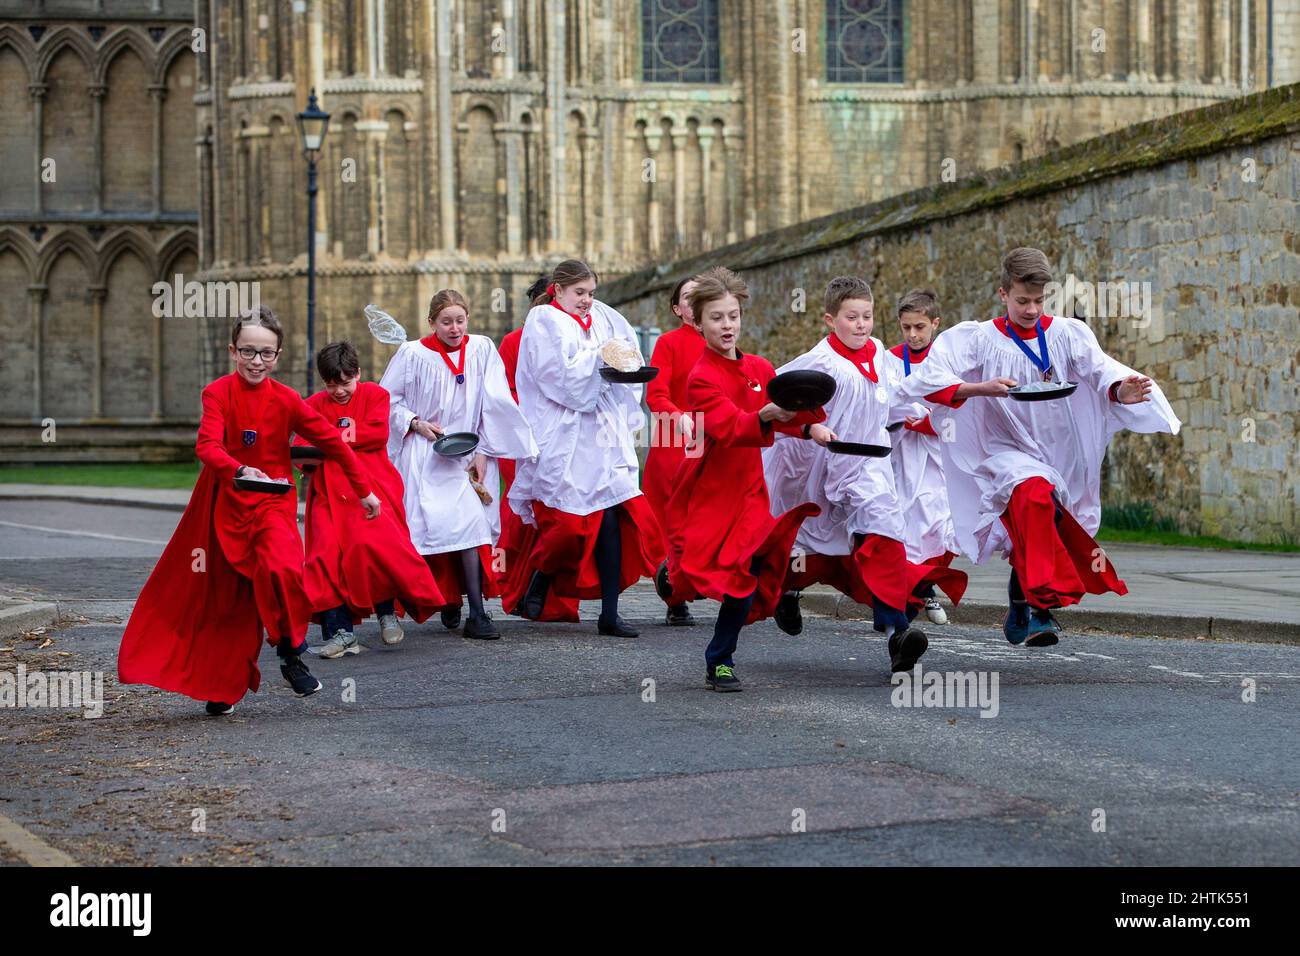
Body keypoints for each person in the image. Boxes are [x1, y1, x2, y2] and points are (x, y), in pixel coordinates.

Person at [896, 247, 1181, 646]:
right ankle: (1039, 607)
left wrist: (1120, 390)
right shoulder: (978, 340)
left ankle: (1019, 605)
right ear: (1002, 294)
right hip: (1004, 446)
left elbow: (1100, 369)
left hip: (1061, 449)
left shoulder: (1067, 333)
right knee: (1033, 495)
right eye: (1022, 301)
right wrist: (982, 388)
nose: (1031, 309)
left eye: (1038, 300)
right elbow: (928, 378)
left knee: (1040, 524)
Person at [118, 307, 381, 716]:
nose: (256, 361)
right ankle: (222, 685)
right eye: (248, 352)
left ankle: (290, 654)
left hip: (272, 503)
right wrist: (239, 468)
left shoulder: (287, 399)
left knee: (283, 569)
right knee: (227, 601)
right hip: (224, 503)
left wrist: (364, 491)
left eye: (265, 353)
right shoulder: (217, 392)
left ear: (277, 356)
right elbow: (207, 446)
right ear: (233, 351)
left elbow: (333, 441)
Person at [763, 277, 967, 674]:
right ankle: (785, 591)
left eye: (868, 316)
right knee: (813, 552)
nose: (861, 325)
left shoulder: (878, 353)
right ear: (829, 319)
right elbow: (776, 401)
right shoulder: (818, 363)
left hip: (869, 466)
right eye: (851, 317)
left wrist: (953, 400)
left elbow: (891, 399)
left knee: (886, 535)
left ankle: (898, 632)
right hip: (819, 471)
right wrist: (804, 426)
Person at [656, 266, 826, 692]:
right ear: (698, 322)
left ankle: (720, 659)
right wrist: (765, 415)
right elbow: (730, 427)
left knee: (744, 571)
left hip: (750, 490)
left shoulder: (760, 366)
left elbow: (786, 412)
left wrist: (810, 427)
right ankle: (671, 574)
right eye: (716, 318)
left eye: (732, 315)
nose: (726, 325)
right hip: (710, 490)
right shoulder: (701, 377)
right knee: (699, 571)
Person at [503, 259, 663, 637]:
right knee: (569, 526)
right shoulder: (544, 322)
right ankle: (541, 576)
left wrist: (623, 363)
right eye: (579, 293)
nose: (587, 300)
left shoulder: (602, 316)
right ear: (557, 290)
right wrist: (600, 359)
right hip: (565, 438)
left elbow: (626, 351)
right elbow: (561, 380)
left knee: (611, 519)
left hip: (602, 437)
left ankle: (611, 611)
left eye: (591, 293)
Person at [379, 289, 537, 640]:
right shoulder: (412, 354)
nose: (454, 328)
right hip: (424, 454)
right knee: (431, 529)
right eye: (446, 322)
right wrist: (415, 422)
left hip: (468, 453)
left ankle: (477, 614)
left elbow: (494, 402)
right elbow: (387, 400)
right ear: (432, 322)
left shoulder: (481, 349)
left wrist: (485, 450)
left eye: (460, 321)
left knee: (470, 527)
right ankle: (447, 601)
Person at [296, 340, 445, 658]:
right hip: (327, 493)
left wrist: (326, 439)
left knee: (374, 550)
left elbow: (375, 434)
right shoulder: (311, 404)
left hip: (372, 488)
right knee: (324, 558)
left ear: (358, 374)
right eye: (331, 384)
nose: (338, 391)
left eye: (345, 382)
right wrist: (340, 440)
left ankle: (386, 610)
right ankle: (340, 632)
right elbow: (299, 444)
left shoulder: (377, 395)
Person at [879, 288, 962, 625]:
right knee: (907, 523)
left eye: (920, 327)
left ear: (935, 324)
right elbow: (883, 401)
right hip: (903, 452)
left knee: (945, 526)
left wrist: (932, 423)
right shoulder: (890, 359)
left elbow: (961, 404)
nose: (913, 335)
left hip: (941, 453)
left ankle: (925, 583)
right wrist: (904, 417)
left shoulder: (949, 358)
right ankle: (911, 593)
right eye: (906, 327)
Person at [643, 275, 706, 627]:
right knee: (674, 526)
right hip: (674, 444)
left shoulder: (722, 340)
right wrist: (679, 418)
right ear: (677, 309)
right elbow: (656, 395)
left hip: (714, 441)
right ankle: (675, 595)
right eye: (688, 297)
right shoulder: (668, 343)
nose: (695, 301)